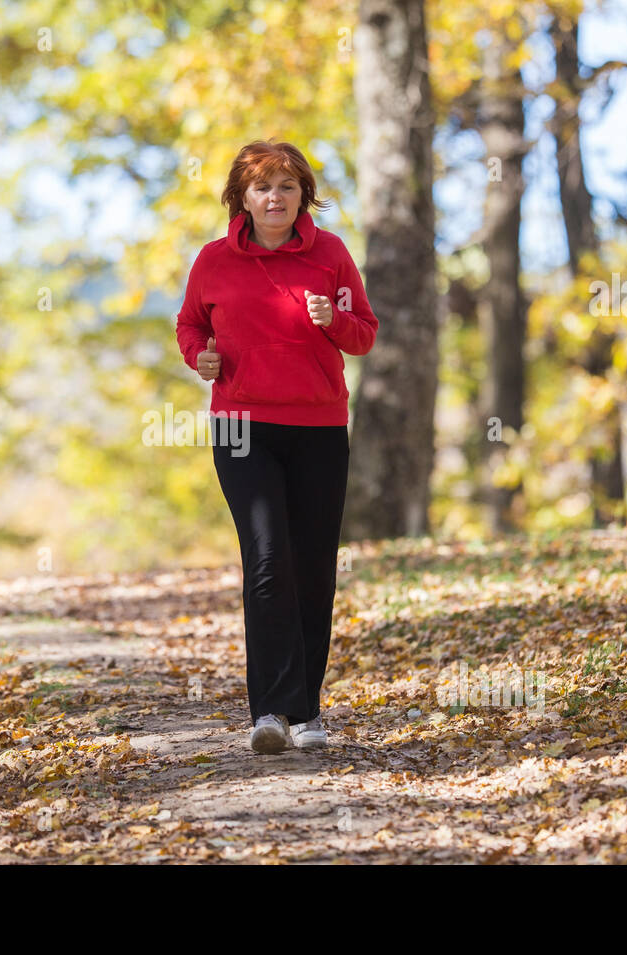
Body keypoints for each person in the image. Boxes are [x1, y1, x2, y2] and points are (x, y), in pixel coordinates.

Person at [174, 139, 379, 754]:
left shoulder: (331, 255)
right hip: (242, 426)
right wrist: (199, 357)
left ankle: (308, 713)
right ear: (242, 197)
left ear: (302, 196)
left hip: (318, 426)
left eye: (287, 186)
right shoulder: (213, 260)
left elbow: (364, 334)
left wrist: (331, 322)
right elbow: (190, 324)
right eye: (262, 187)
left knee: (313, 567)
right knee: (268, 561)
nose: (275, 197)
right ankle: (269, 712)